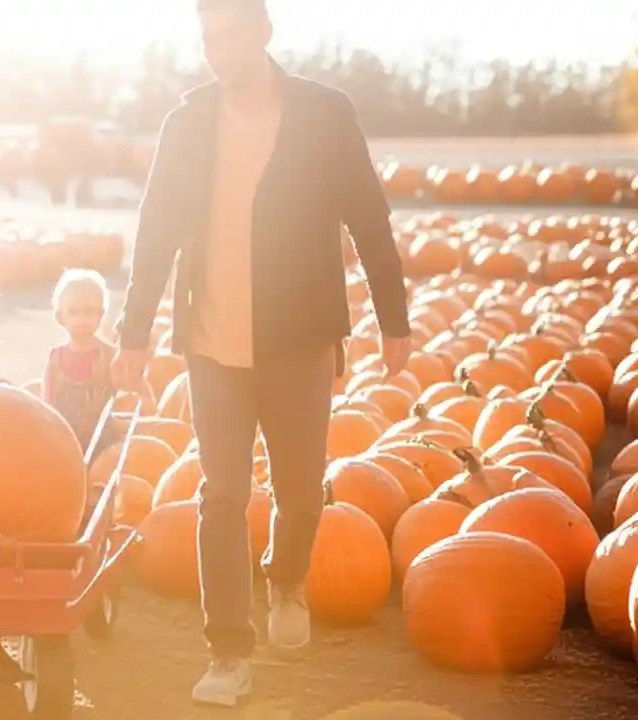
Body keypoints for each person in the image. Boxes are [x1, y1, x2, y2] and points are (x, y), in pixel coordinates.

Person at [110, 0, 412, 708]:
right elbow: (154, 232)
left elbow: (368, 217)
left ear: (265, 33)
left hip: (300, 337)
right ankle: (228, 653)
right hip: (210, 341)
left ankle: (286, 576)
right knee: (220, 493)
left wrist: (394, 319)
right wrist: (133, 332)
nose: (220, 51)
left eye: (233, 35)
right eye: (209, 39)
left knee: (303, 490)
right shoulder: (187, 122)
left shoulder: (323, 113)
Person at [42, 269, 156, 455]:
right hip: (66, 439)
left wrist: (143, 395)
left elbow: (135, 394)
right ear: (60, 317)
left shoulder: (109, 356)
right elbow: (47, 404)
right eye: (74, 312)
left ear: (100, 315)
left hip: (104, 441)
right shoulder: (56, 359)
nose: (82, 319)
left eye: (89, 312)